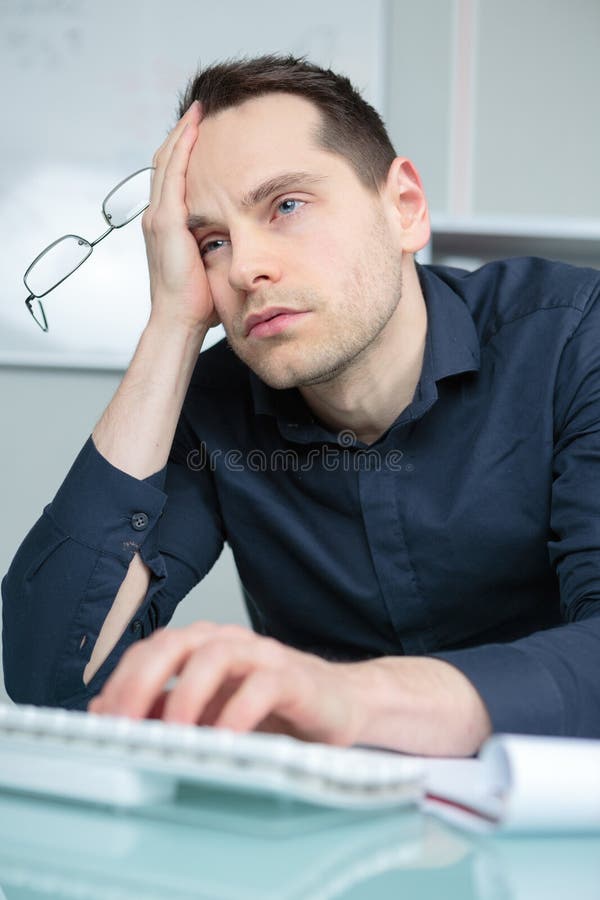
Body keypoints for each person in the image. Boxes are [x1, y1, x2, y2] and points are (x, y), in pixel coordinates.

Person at [3, 55, 600, 756]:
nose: (245, 268)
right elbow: (52, 678)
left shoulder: (571, 338)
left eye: (286, 206)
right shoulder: (213, 399)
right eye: (211, 243)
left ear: (404, 207)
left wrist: (355, 699)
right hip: (322, 839)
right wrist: (172, 328)